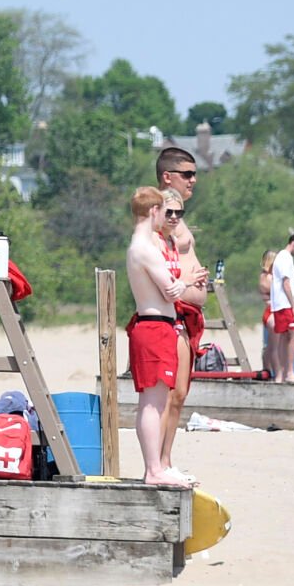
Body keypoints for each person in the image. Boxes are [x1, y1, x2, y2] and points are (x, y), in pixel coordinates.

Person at [125, 185, 193, 488]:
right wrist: (188, 279)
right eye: (165, 212)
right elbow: (171, 289)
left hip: (154, 326)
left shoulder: (138, 246)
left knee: (153, 400)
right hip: (154, 327)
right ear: (154, 211)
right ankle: (154, 469)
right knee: (153, 402)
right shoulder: (144, 248)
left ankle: (154, 467)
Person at [155, 147, 208, 468]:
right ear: (167, 176)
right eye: (187, 173)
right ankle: (158, 463)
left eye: (195, 173)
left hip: (188, 313)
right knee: (168, 395)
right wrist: (185, 282)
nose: (194, 179)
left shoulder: (177, 214)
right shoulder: (161, 212)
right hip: (170, 310)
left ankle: (166, 459)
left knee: (180, 395)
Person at [267, 232, 294, 384]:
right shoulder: (285, 257)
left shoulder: (281, 257)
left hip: (280, 303)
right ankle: (289, 372)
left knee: (285, 338)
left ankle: (285, 372)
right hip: (284, 304)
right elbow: (285, 283)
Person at [257, 249, 277, 366]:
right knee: (273, 346)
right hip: (272, 311)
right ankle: (270, 370)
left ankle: (267, 369)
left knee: (269, 345)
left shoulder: (264, 276)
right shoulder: (268, 278)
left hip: (269, 310)